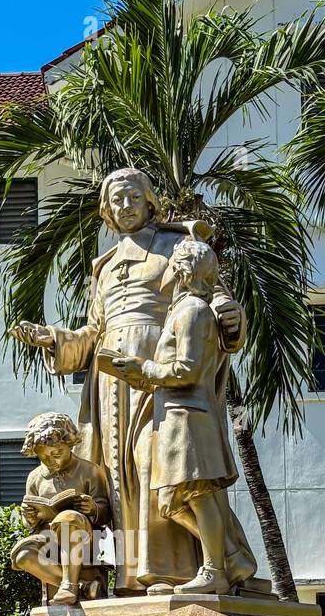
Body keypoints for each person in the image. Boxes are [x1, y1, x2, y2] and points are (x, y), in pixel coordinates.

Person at [10, 167, 257, 595]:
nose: (125, 206)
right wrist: (54, 338)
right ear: (107, 209)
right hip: (110, 379)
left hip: (159, 370)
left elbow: (210, 291)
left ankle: (184, 568)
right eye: (116, 200)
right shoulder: (102, 267)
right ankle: (133, 577)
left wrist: (230, 315)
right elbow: (93, 332)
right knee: (118, 475)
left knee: (161, 466)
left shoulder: (178, 243)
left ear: (149, 200)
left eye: (132, 197)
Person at [100, 239, 254, 595]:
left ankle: (216, 568)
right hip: (171, 414)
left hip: (186, 415)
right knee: (171, 500)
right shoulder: (182, 308)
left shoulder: (193, 311)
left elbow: (187, 369)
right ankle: (230, 558)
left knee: (197, 494)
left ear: (182, 270)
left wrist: (144, 368)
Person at [10, 412, 109, 606]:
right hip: (47, 538)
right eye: (44, 457)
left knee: (67, 518)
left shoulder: (89, 471)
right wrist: (29, 516)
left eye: (57, 454)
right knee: (23, 556)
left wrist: (93, 508)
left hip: (82, 539)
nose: (51, 461)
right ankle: (82, 587)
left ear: (70, 444)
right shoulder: (35, 477)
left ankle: (70, 585)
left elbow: (107, 513)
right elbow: (30, 520)